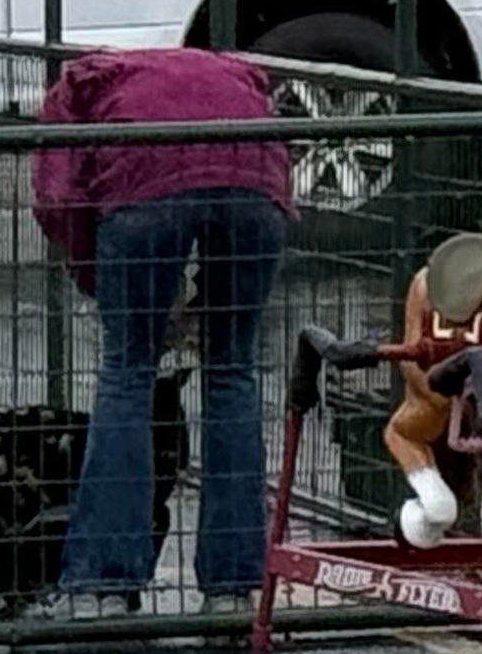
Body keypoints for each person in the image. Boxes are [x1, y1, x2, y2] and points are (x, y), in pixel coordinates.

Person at [30, 46, 296, 610]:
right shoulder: (235, 75)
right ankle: (235, 583)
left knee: (127, 370)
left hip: (144, 189)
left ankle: (104, 580)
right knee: (232, 369)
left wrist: (97, 279)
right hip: (254, 186)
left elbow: (59, 198)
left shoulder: (75, 90)